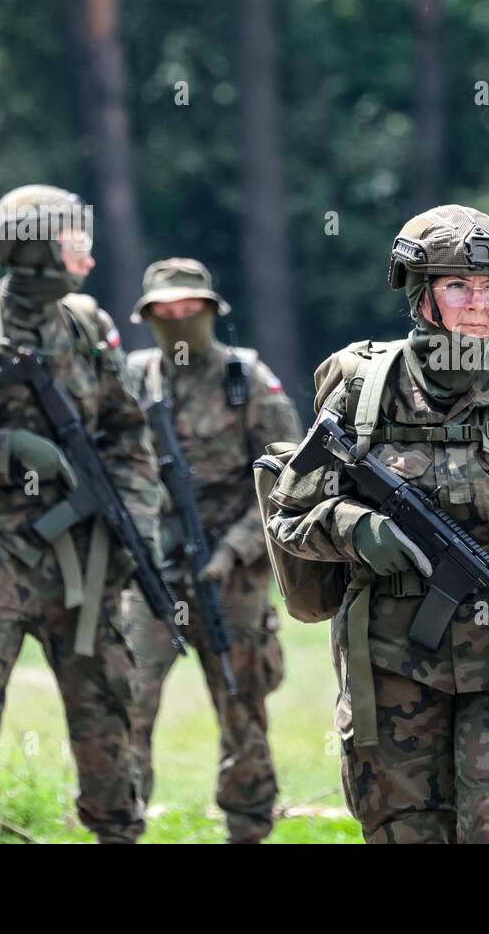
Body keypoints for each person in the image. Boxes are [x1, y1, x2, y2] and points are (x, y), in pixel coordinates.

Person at [266, 205, 489, 843]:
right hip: (393, 656)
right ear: (419, 291)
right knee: (406, 833)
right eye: (459, 286)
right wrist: (353, 528)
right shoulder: (359, 387)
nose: (479, 307)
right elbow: (291, 516)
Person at [0, 185, 159, 843]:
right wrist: (7, 451)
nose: (88, 258)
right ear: (36, 249)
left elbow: (129, 437)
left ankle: (118, 834)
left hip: (85, 556)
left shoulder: (89, 328)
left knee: (106, 702)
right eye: (75, 243)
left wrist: (136, 527)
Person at [121, 258, 301, 844]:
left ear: (210, 311)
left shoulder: (244, 379)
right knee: (128, 699)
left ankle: (248, 827)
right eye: (165, 313)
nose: (178, 321)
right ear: (148, 318)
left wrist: (233, 549)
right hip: (151, 574)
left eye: (189, 310)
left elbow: (290, 478)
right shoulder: (134, 379)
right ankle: (118, 824)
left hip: (232, 575)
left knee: (240, 703)